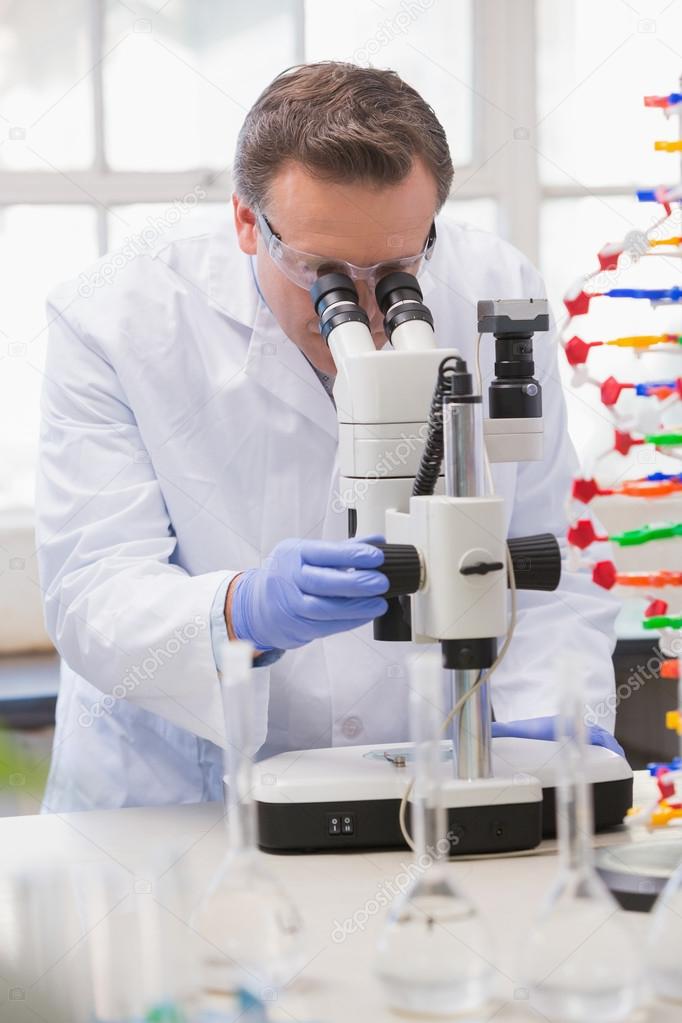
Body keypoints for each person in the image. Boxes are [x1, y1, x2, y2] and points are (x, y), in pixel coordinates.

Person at [36, 62, 621, 813]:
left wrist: (548, 731)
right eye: (326, 272)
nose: (370, 307)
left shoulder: (492, 292)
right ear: (248, 222)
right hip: (178, 804)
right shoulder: (118, 318)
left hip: (427, 782)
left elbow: (550, 555)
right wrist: (239, 609)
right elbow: (94, 590)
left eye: (398, 269)